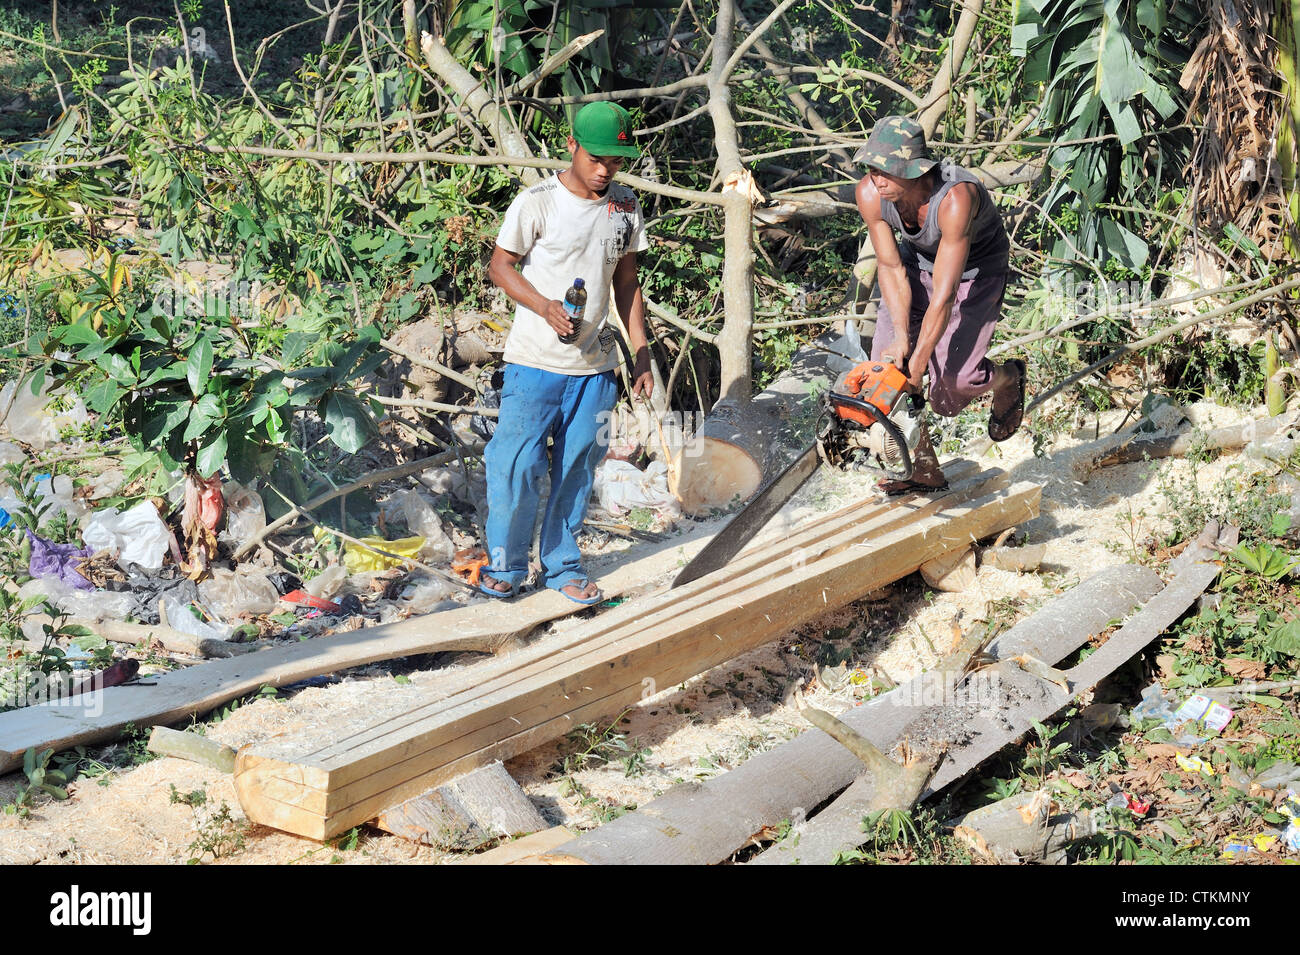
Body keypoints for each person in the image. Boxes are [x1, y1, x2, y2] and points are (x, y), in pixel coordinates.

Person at [478, 101, 654, 604]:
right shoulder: (537, 202)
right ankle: (507, 568)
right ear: (572, 146)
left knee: (577, 467)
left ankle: (562, 566)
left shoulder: (624, 206)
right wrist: (544, 306)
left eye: (615, 161)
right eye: (596, 158)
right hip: (534, 364)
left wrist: (641, 352)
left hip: (596, 366)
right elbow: (500, 266)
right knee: (514, 466)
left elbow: (627, 282)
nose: (604, 170)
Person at [854, 115, 1027, 493]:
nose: (876, 179)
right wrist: (902, 342)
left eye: (887, 170)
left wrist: (918, 368)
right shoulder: (870, 194)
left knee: (952, 388)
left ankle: (1008, 377)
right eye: (871, 168)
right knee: (887, 373)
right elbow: (891, 266)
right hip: (915, 269)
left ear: (916, 170)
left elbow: (946, 295)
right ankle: (923, 469)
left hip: (974, 274)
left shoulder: (955, 199)